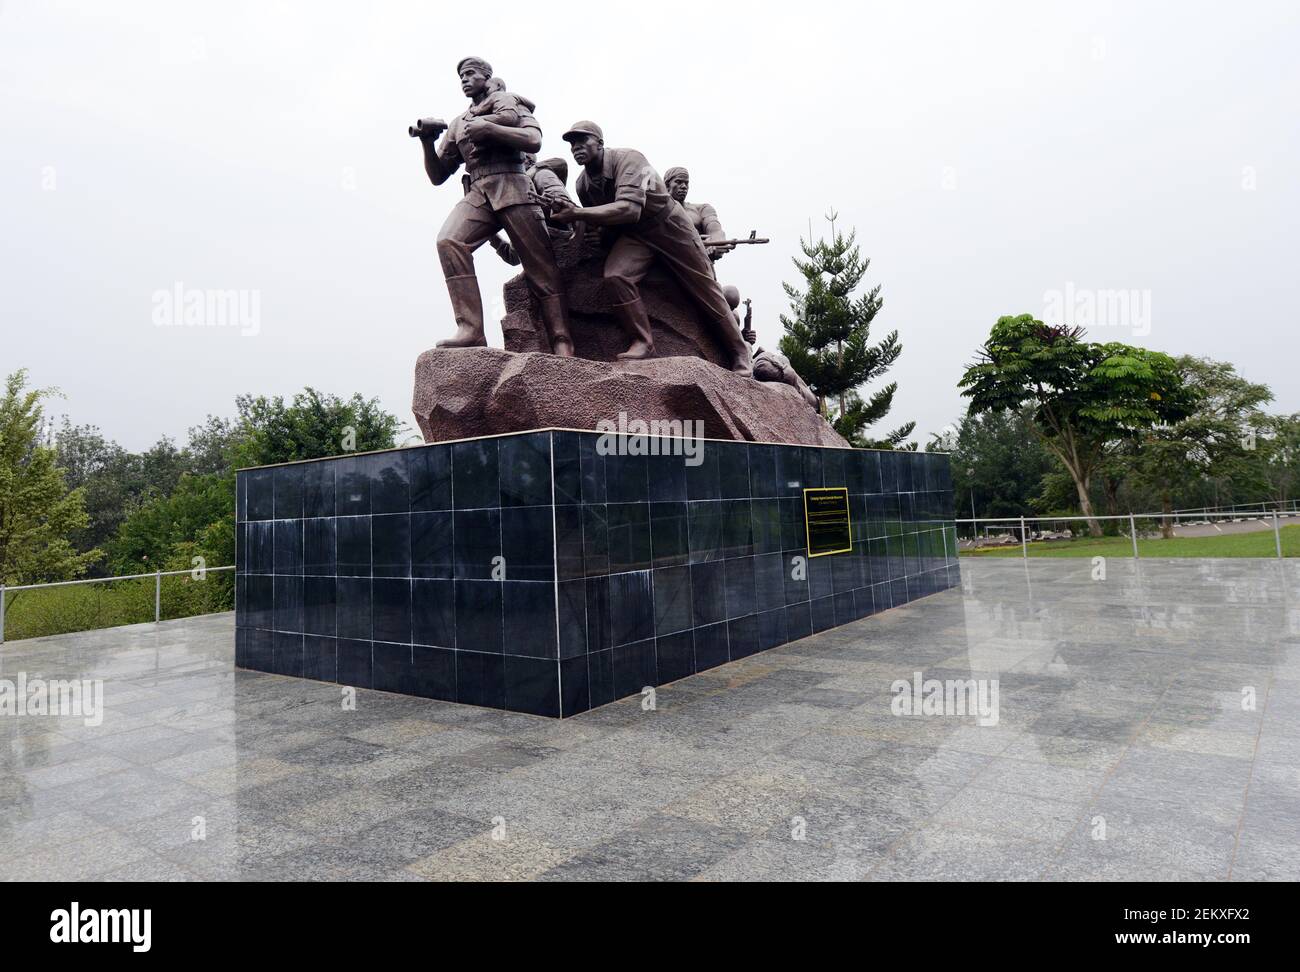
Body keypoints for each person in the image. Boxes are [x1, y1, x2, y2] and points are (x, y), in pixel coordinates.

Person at [550, 121, 751, 374]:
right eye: (572, 144)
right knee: (616, 276)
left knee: (705, 289)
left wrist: (577, 213)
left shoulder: (630, 159)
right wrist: (593, 232)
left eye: (583, 141)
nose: (576, 147)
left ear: (600, 143)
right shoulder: (583, 184)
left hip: (669, 226)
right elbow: (604, 218)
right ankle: (643, 342)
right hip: (637, 235)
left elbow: (629, 209)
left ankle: (740, 353)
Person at [416, 57, 572, 355]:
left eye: (470, 74)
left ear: (486, 76)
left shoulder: (509, 102)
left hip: (513, 183)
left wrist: (490, 130)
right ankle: (471, 330)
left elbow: (533, 140)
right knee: (449, 241)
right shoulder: (459, 123)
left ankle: (562, 340)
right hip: (478, 190)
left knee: (541, 267)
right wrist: (426, 142)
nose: (464, 80)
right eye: (460, 76)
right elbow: (438, 175)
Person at [725, 287, 818, 408]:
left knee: (780, 360)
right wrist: (744, 343)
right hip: (752, 369)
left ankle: (813, 401)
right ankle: (812, 401)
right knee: (767, 365)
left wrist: (743, 338)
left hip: (751, 364)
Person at [664, 166, 734, 259]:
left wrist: (715, 244)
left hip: (696, 261)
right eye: (678, 182)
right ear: (667, 185)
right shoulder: (657, 211)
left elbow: (715, 230)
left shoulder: (703, 209)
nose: (684, 186)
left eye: (686, 183)